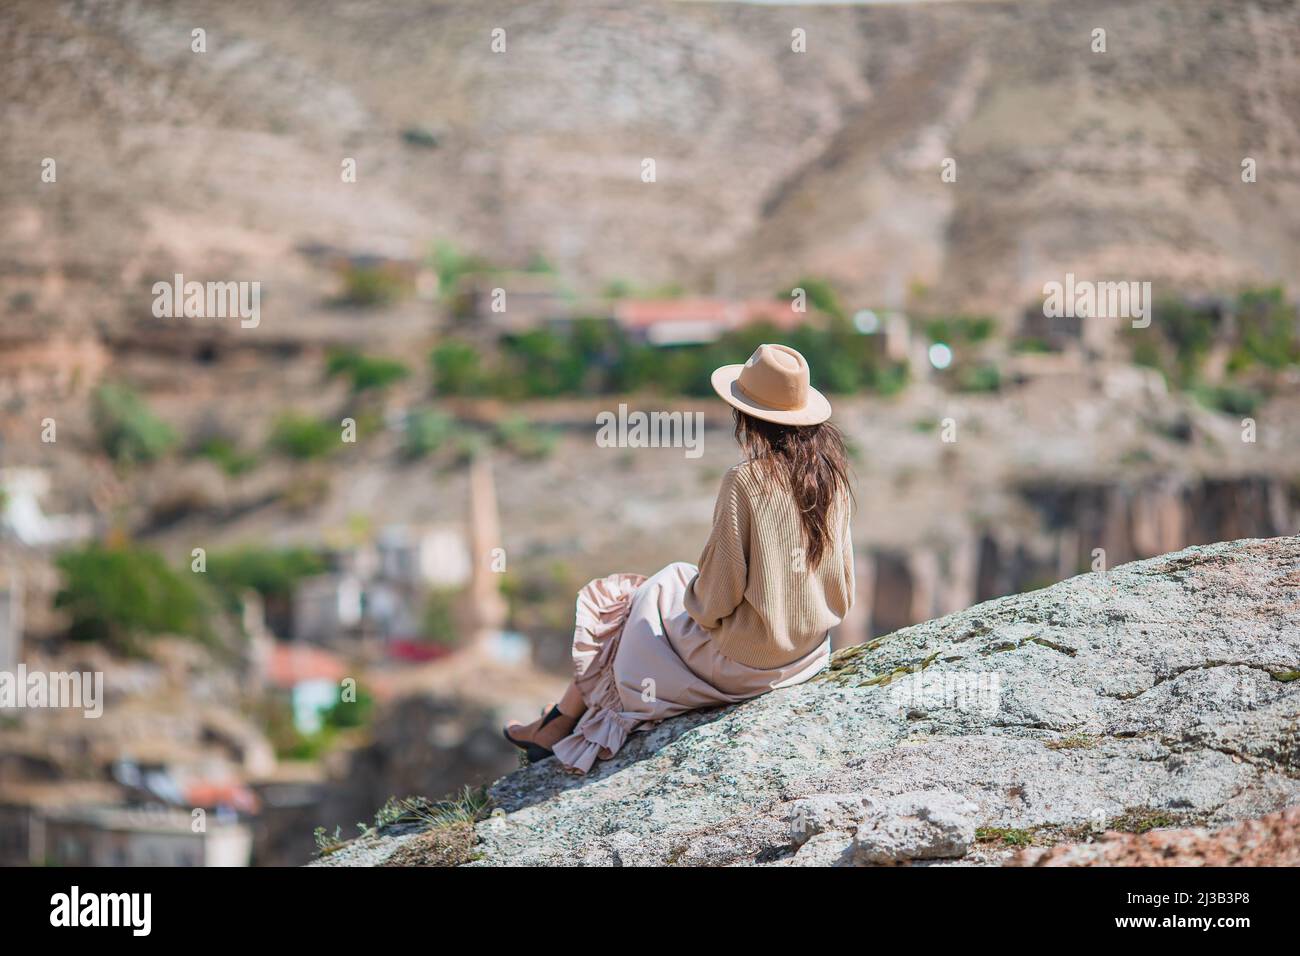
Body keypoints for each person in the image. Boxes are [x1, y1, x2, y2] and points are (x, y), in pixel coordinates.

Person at [504, 343, 855, 773]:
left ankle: (557, 722)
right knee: (663, 584)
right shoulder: (831, 479)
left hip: (746, 665)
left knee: (633, 599)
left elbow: (714, 598)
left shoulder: (746, 481)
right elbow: (840, 587)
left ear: (745, 415)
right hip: (807, 655)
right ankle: (554, 722)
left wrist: (691, 611)